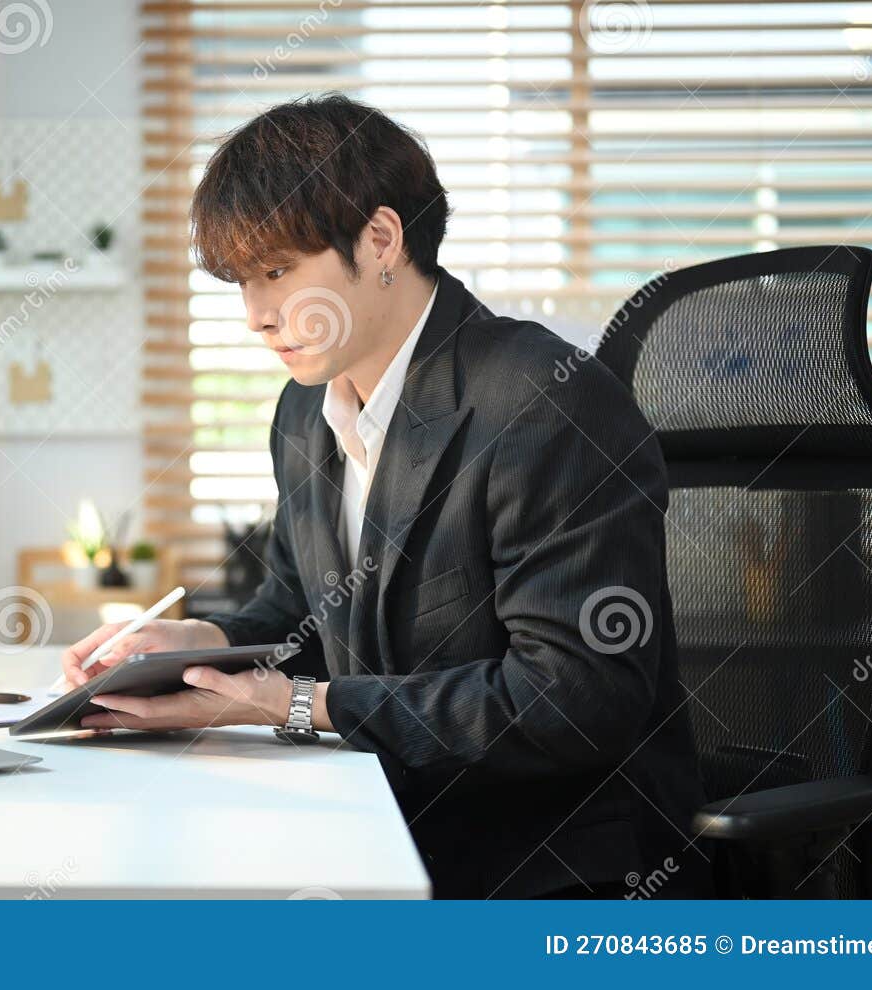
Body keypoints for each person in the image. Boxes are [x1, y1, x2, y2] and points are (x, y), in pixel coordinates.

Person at [61, 94, 709, 899]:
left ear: (379, 240)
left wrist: (299, 705)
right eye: (242, 282)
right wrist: (197, 643)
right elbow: (301, 610)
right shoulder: (306, 410)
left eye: (276, 272)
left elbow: (571, 697)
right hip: (377, 819)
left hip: (553, 863)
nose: (257, 316)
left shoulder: (543, 402)